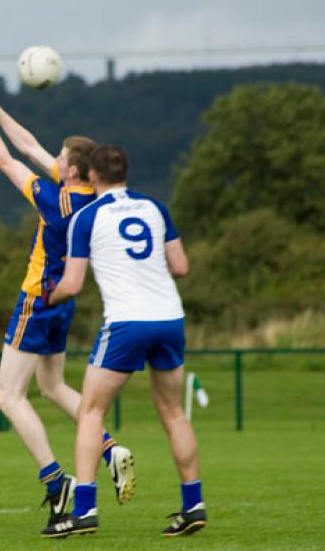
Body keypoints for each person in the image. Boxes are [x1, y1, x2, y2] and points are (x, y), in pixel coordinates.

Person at [0, 70, 135, 532]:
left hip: (38, 298)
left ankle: (57, 483)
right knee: (52, 387)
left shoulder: (52, 199)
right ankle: (111, 450)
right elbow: (30, 146)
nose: (51, 158)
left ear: (70, 170)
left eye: (60, 157)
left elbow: (5, 158)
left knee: (9, 397)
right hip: (65, 304)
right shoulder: (90, 197)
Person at [42, 145, 206, 538]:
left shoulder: (87, 217)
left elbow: (73, 284)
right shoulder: (155, 208)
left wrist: (49, 294)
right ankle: (193, 504)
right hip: (169, 317)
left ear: (92, 176)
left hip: (127, 322)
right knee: (174, 413)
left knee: (91, 412)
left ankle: (84, 510)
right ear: (125, 172)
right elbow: (181, 267)